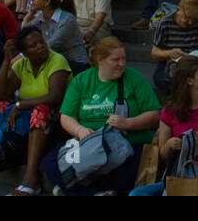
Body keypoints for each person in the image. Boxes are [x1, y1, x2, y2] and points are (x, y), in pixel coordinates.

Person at [43, 37, 161, 195]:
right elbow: (66, 116)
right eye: (116, 59)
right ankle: (94, 192)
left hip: (126, 145)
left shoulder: (133, 78)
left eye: (124, 58)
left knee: (126, 170)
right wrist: (79, 130)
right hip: (89, 145)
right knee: (50, 163)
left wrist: (128, 122)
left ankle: (75, 189)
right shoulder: (82, 80)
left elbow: (155, 114)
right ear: (100, 60)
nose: (122, 64)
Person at [0, 26, 72, 195]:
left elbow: (55, 97)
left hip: (57, 117)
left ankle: (31, 179)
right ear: (25, 52)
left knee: (40, 111)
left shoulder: (57, 60)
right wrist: (6, 61)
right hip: (28, 115)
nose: (40, 46)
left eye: (41, 41)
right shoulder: (22, 64)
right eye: (33, 45)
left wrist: (20, 106)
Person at [130, 56, 198, 196]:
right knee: (137, 194)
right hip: (177, 178)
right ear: (189, 80)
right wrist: (170, 145)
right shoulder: (170, 110)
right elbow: (162, 155)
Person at [150, 0, 198, 92]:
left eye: (194, 19)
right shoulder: (165, 22)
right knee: (161, 79)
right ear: (180, 8)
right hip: (171, 62)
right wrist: (169, 53)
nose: (190, 22)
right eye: (187, 17)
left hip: (194, 62)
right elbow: (155, 52)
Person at [33, 0, 88, 70]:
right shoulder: (40, 17)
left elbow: (51, 45)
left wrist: (23, 55)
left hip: (76, 64)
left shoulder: (67, 20)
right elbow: (27, 35)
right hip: (56, 61)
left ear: (47, 1)